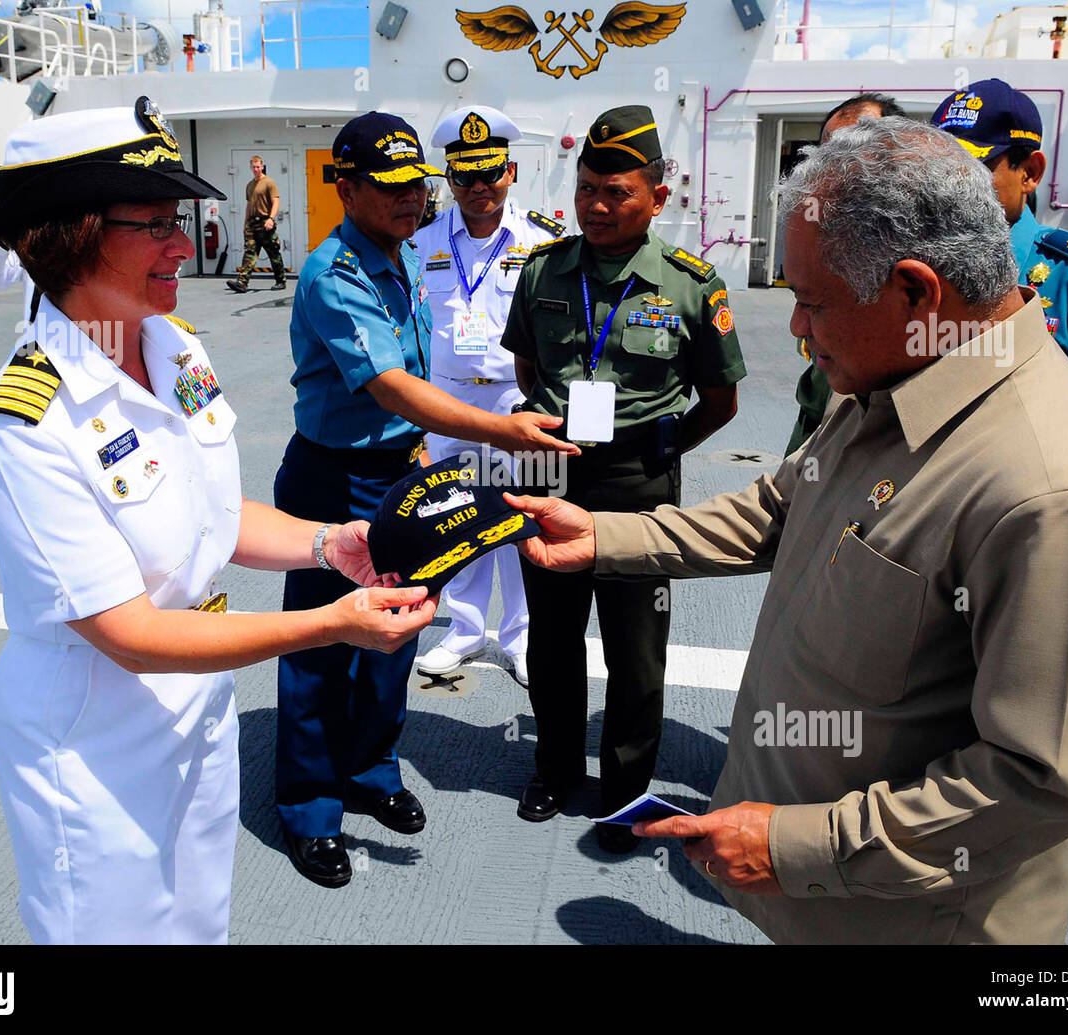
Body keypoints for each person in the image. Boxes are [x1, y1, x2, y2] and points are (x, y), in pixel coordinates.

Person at [507, 117, 1068, 943]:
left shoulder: (1055, 495)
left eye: (811, 303)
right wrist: (605, 537)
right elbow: (777, 508)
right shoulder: (895, 380)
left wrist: (798, 844)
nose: (795, 331)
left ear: (918, 293)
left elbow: (1043, 781)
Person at [0, 98, 435, 944]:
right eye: (153, 224)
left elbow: (213, 517)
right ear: (73, 234)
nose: (183, 244)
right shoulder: (28, 423)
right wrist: (331, 622)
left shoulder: (173, 346)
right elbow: (130, 632)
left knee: (199, 928)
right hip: (96, 746)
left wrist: (332, 544)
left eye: (178, 220)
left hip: (198, 713)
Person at [275, 111, 576, 889]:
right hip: (330, 477)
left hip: (396, 472)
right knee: (321, 648)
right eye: (391, 187)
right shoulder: (334, 271)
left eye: (417, 184)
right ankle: (310, 805)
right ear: (344, 186)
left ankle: (372, 773)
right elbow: (392, 386)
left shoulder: (402, 252)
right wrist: (499, 431)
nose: (412, 199)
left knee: (395, 639)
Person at [502, 104, 746, 853]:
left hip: (639, 480)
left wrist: (663, 449)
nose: (597, 206)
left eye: (616, 191)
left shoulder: (691, 286)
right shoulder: (544, 269)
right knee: (552, 635)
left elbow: (722, 397)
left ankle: (625, 788)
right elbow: (527, 367)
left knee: (637, 646)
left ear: (657, 197)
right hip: (551, 470)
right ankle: (552, 769)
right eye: (586, 189)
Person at [412, 105, 564, 686]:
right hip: (446, 401)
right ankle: (466, 628)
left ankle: (521, 635)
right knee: (458, 516)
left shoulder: (545, 243)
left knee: (518, 518)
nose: (478, 187)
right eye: (464, 176)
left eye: (489, 172)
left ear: (511, 171)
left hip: (515, 399)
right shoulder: (422, 243)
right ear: (448, 179)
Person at [934, 78, 1068, 452]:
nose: (947, 185)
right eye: (939, 167)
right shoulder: (922, 264)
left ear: (1030, 173)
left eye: (974, 167)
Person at [785, 92, 905, 455]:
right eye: (828, 153)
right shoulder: (815, 237)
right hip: (818, 423)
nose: (838, 165)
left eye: (856, 149)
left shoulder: (915, 245)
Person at [226, 155, 286, 292]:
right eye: (253, 167)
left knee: (273, 253)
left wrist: (271, 218)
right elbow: (249, 205)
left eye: (258, 167)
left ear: (262, 166)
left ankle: (280, 280)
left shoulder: (269, 183)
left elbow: (276, 201)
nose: (256, 169)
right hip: (252, 224)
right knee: (249, 253)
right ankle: (242, 283)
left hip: (265, 222)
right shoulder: (250, 185)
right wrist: (245, 223)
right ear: (251, 167)